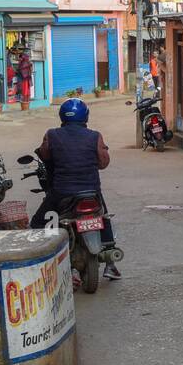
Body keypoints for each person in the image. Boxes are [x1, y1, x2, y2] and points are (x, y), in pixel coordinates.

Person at [31, 98, 122, 280]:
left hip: (62, 192)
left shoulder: (52, 134)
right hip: (91, 192)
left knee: (38, 222)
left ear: (62, 116)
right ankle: (110, 263)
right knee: (103, 216)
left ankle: (45, 263)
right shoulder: (95, 136)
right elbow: (103, 163)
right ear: (85, 116)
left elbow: (45, 154)